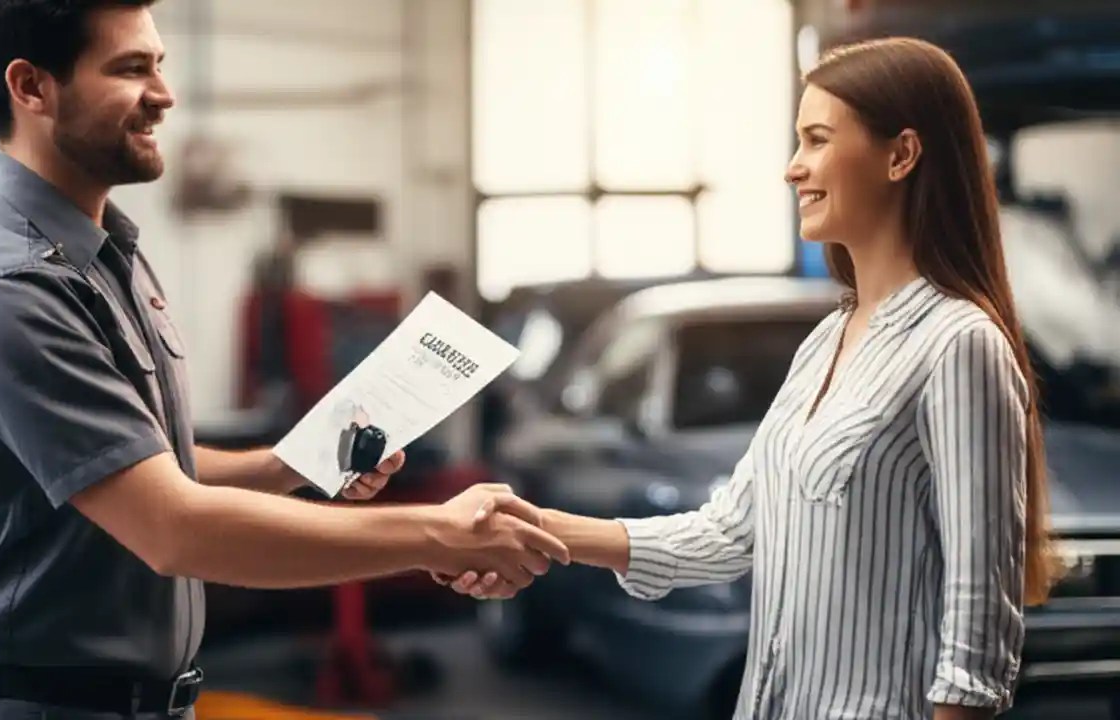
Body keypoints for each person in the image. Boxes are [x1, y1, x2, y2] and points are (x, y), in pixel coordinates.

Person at [0, 2, 568, 718]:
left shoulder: (105, 258)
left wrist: (293, 463)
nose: (164, 93)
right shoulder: (10, 290)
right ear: (31, 88)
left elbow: (137, 462)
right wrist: (437, 533)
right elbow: (174, 527)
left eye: (158, 63)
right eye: (131, 69)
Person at [443, 37, 1061, 719]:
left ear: (901, 154)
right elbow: (730, 533)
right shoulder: (829, 339)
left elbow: (978, 638)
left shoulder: (959, 345)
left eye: (817, 140)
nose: (794, 169)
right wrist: (540, 527)